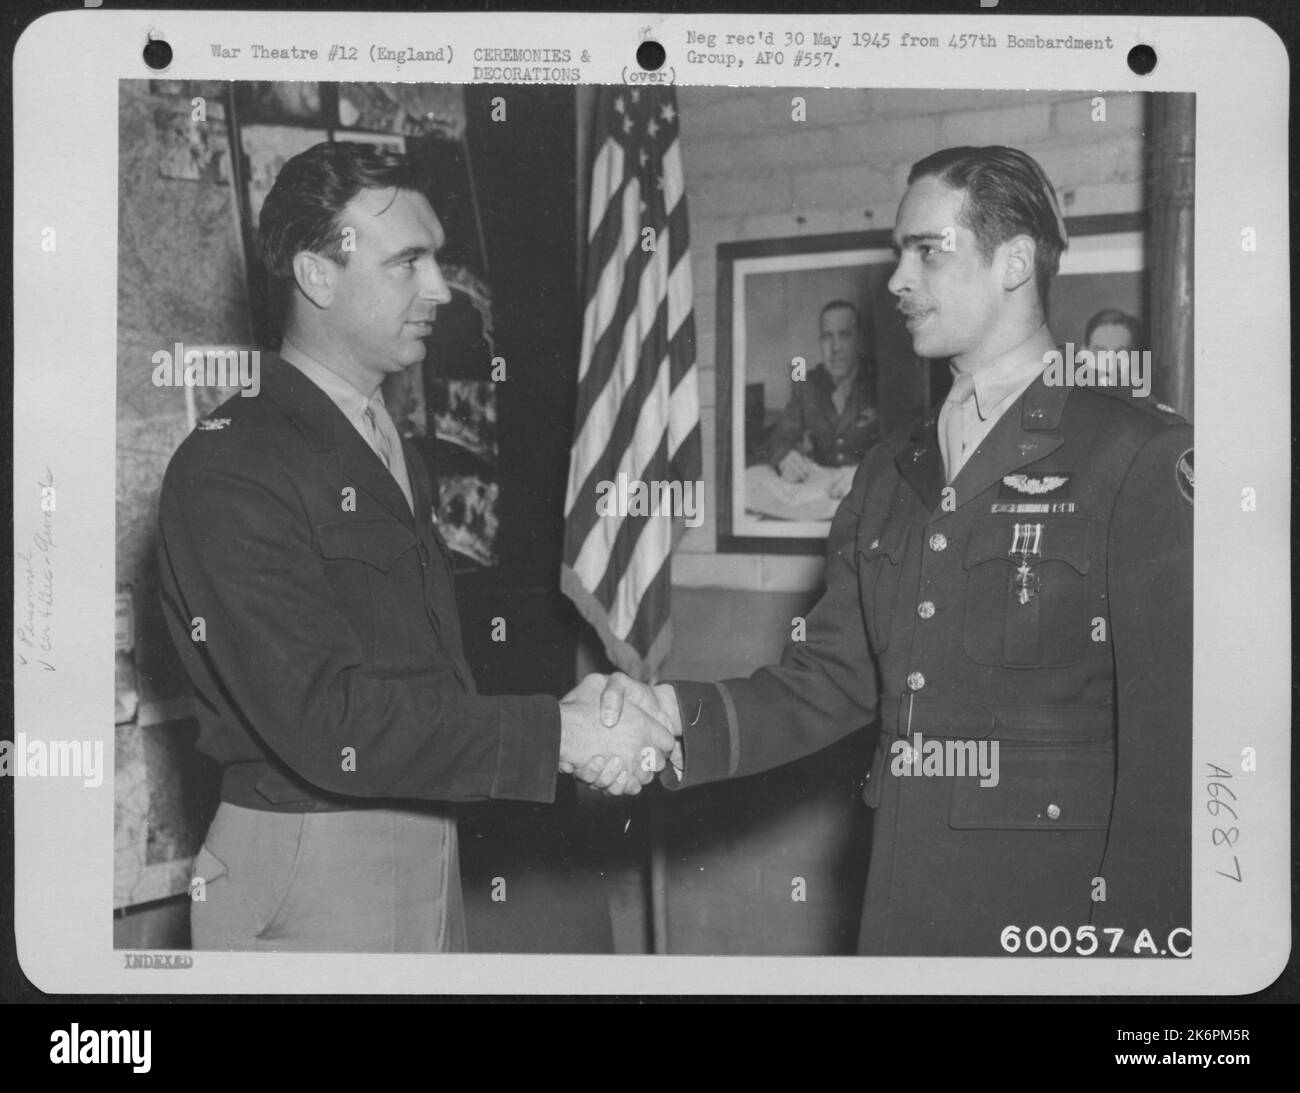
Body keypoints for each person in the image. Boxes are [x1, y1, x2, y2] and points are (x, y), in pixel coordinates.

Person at [602, 146, 1193, 957]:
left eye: (927, 249)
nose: (896, 280)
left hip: (1057, 922)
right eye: (897, 253)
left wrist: (1139, 960)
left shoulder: (1134, 455)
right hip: (903, 904)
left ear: (1015, 262)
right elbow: (831, 679)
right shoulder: (892, 469)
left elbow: (1176, 751)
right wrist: (673, 718)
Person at [157, 142, 673, 953]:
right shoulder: (233, 462)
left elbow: (418, 675)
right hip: (311, 857)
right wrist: (558, 737)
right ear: (316, 275)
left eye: (437, 258)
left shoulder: (389, 444)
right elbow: (328, 718)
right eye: (409, 263)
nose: (442, 288)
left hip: (425, 836)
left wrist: (565, 719)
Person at [767, 301, 882, 484]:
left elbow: (903, 448)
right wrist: (784, 458)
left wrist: (866, 475)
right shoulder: (807, 386)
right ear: (820, 342)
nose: (835, 348)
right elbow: (780, 437)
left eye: (844, 335)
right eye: (827, 337)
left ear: (858, 340)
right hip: (821, 492)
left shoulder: (882, 381)